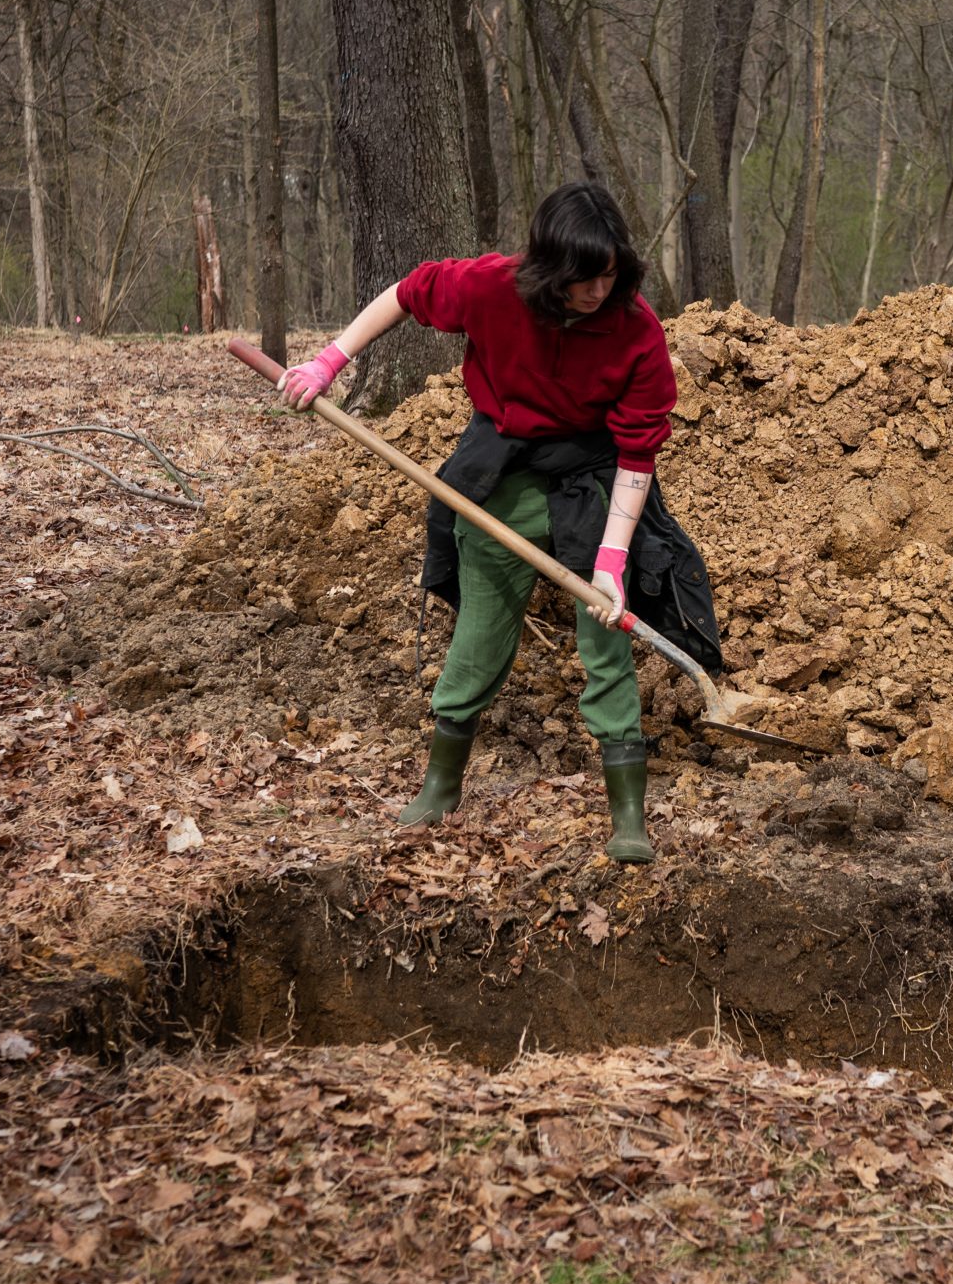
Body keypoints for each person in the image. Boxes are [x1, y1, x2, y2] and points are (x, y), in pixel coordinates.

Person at [273, 182, 722, 864]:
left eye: (608, 275)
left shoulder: (636, 331)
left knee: (605, 639)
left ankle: (627, 812)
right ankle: (441, 785)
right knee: (480, 632)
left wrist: (610, 559)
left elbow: (638, 454)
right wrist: (329, 361)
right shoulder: (491, 288)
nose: (597, 290)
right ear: (549, 267)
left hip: (592, 481)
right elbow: (406, 293)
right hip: (501, 473)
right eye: (583, 277)